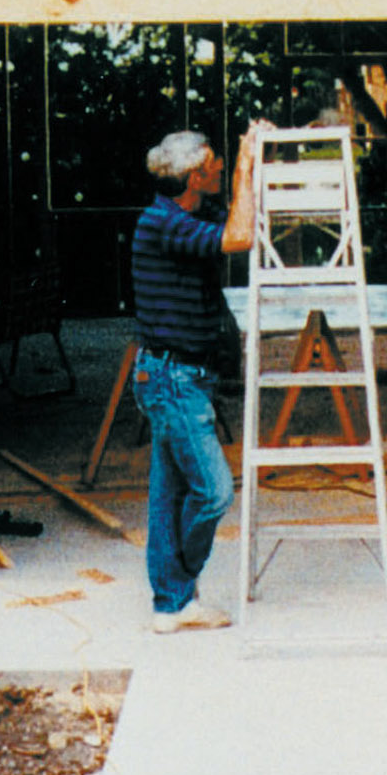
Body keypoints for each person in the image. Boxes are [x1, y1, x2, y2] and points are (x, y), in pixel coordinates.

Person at [131, 121, 268, 632]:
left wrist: (252, 164)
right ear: (193, 177)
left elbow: (239, 217)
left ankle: (172, 605)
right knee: (214, 492)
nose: (219, 170)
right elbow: (240, 237)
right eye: (212, 167)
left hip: (178, 376)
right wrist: (246, 164)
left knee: (168, 498)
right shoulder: (162, 224)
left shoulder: (185, 214)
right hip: (173, 379)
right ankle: (178, 583)